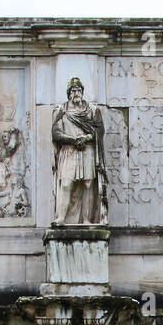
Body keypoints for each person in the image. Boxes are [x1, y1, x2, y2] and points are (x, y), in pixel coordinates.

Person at [52, 76, 108, 224]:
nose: (76, 93)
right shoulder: (61, 110)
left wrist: (87, 137)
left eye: (78, 90)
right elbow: (55, 133)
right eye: (73, 90)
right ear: (69, 93)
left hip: (87, 149)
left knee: (88, 184)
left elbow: (100, 131)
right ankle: (61, 217)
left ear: (82, 92)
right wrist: (72, 140)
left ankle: (86, 220)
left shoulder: (92, 110)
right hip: (68, 150)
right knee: (66, 183)